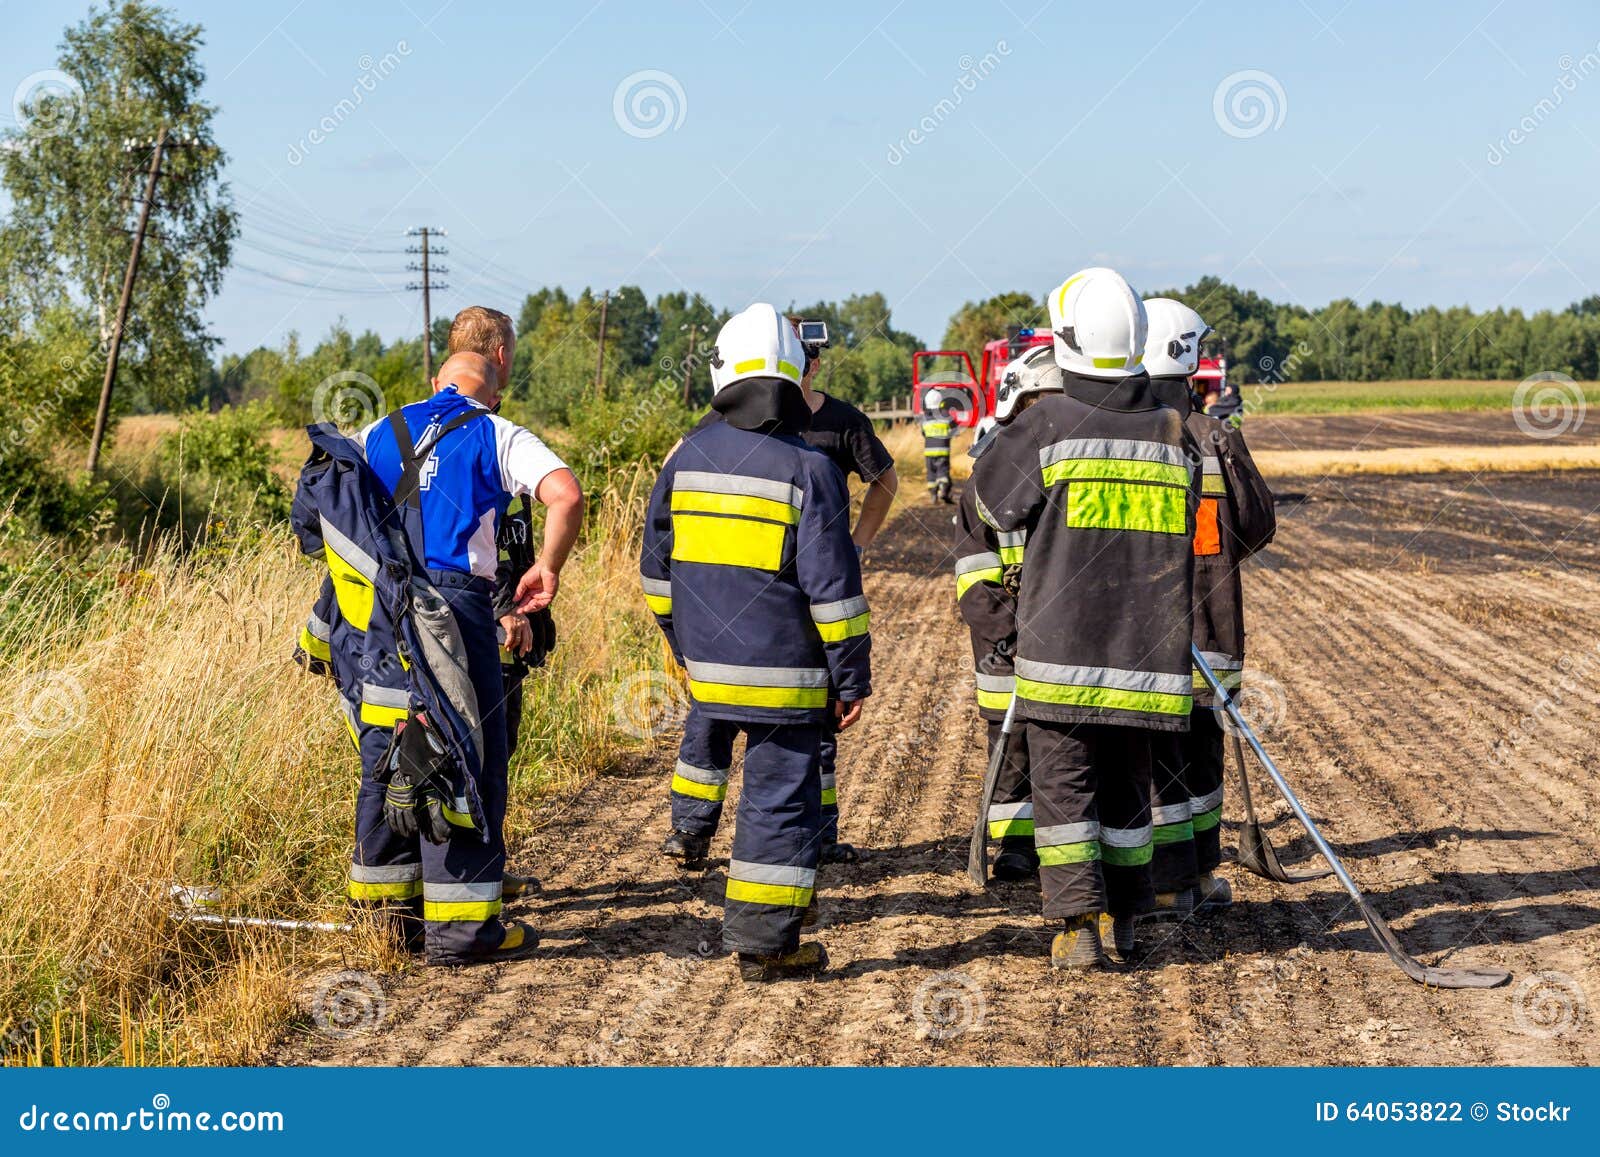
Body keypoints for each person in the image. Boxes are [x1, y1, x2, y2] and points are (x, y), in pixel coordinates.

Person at [295, 349, 582, 965]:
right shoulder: (496, 433)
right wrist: (545, 570)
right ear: (495, 392)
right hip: (456, 612)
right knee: (465, 758)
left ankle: (387, 927)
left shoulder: (378, 431)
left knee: (391, 752)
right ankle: (462, 934)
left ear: (435, 384)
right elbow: (566, 494)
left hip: (380, 615)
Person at [970, 268, 1197, 970]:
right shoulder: (1171, 432)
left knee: (1064, 786)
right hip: (1147, 659)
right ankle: (1127, 917)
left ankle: (1076, 925)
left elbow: (985, 506)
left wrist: (1011, 586)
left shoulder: (1045, 425)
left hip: (1061, 656)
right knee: (1130, 787)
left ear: (1065, 344)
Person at [641, 303, 872, 981]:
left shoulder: (686, 455)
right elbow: (835, 593)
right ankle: (767, 947)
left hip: (708, 671)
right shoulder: (810, 470)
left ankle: (693, 836)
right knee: (777, 803)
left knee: (711, 758)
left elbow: (657, 569)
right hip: (788, 679)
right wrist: (850, 678)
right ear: (795, 377)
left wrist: (683, 641)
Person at [661, 318, 898, 865]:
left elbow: (885, 479)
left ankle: (817, 834)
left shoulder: (842, 423)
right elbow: (675, 470)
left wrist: (856, 544)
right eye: (803, 353)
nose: (811, 362)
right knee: (711, 724)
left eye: (814, 354)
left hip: (800, 598)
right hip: (736, 601)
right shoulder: (716, 427)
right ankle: (691, 830)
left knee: (809, 734)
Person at [1144, 298, 1277, 912]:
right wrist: (1214, 560)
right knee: (1203, 755)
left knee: (1153, 761)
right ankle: (1197, 877)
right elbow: (1257, 523)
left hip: (1145, 638)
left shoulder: (1129, 441)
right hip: (1213, 627)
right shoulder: (1218, 437)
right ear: (1191, 365)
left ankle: (1163, 884)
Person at [444, 307, 554, 901]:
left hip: (476, 619)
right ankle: (472, 879)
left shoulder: (417, 432)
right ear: (501, 356)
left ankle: (483, 866)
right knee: (480, 752)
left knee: (488, 748)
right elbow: (465, 544)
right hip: (480, 622)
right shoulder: (481, 435)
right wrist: (502, 611)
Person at [955, 347, 1062, 883]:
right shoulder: (986, 479)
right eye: (1042, 401)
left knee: (1064, 749)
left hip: (1065, 639)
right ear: (1017, 405)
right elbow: (974, 576)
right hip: (1008, 644)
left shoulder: (1074, 467)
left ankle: (1065, 849)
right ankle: (1016, 847)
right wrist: (1011, 633)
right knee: (1011, 745)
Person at [921, 393, 956, 503]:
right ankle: (944, 490)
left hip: (929, 452)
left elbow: (923, 433)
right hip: (943, 450)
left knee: (931, 473)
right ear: (940, 402)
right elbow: (953, 429)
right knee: (943, 471)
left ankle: (933, 495)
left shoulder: (924, 418)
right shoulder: (946, 416)